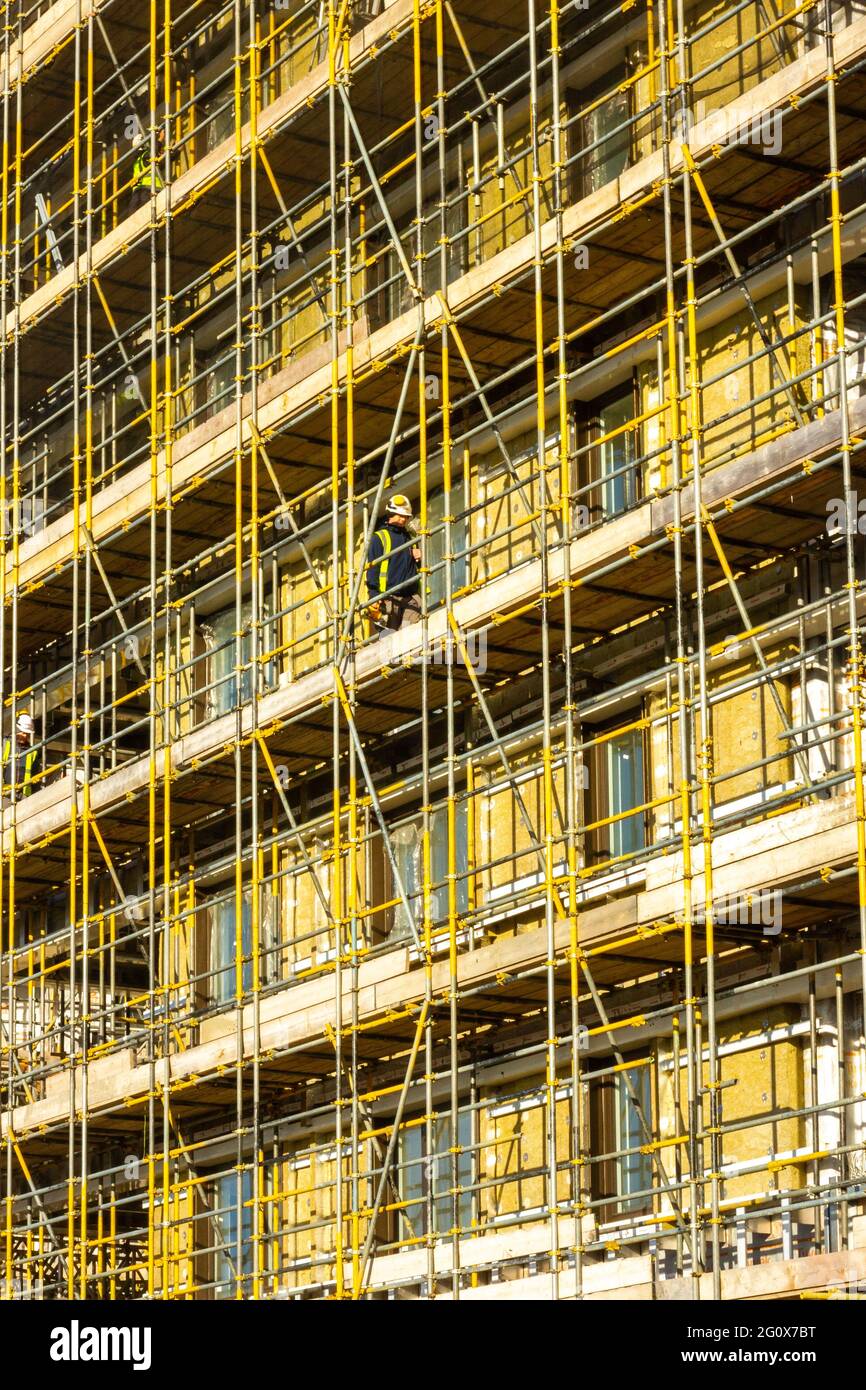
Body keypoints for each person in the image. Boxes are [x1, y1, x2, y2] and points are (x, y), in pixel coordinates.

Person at [365, 494, 422, 635]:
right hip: (389, 599)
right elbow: (373, 569)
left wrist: (419, 556)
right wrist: (374, 597)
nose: (403, 519)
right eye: (400, 515)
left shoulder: (409, 537)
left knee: (410, 636)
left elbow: (418, 567)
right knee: (390, 640)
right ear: (391, 513)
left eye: (406, 516)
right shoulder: (379, 538)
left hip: (410, 599)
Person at [1, 712, 41, 802]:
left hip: (24, 794)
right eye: (23, 733)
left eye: (27, 734)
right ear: (16, 729)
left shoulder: (32, 751)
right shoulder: (5, 744)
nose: (25, 736)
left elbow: (35, 774)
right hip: (5, 792)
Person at [129, 130, 165, 213]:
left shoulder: (137, 160)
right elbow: (153, 153)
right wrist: (160, 139)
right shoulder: (145, 155)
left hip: (137, 191)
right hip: (149, 189)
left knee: (134, 215)